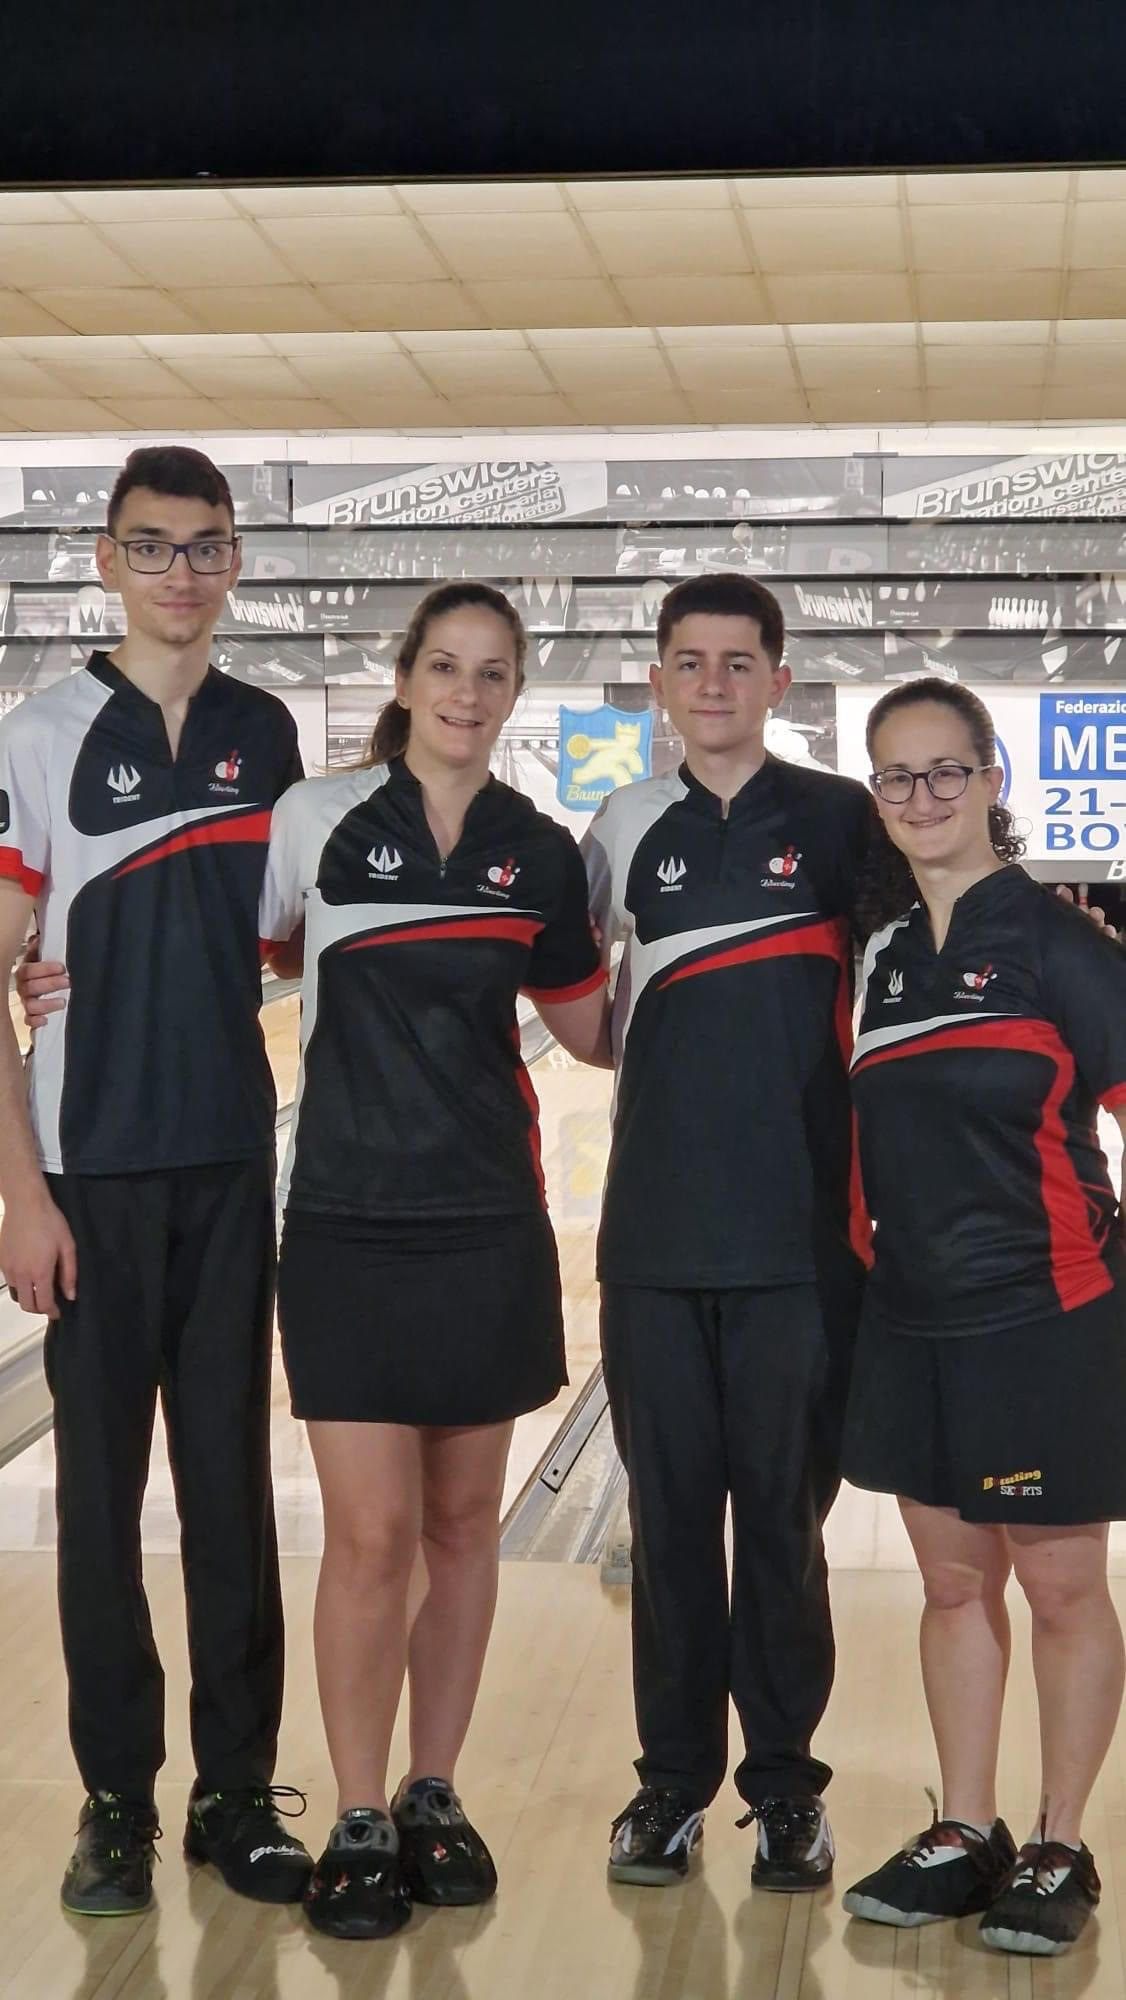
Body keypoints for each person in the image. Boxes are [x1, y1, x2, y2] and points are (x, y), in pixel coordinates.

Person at [257, 581, 610, 1940]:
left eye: (494, 674)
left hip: (487, 1225)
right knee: (373, 1534)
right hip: (345, 1221)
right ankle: (355, 1809)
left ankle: (433, 1791)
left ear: (515, 693)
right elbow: (245, 957)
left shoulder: (537, 847)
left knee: (464, 1531)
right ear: (402, 679)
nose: (468, 694)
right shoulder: (318, 823)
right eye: (446, 668)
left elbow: (589, 1029)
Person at [0, 446, 313, 1916]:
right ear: (107, 562)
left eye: (205, 547)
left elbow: (287, 939)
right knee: (101, 1502)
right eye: (152, 546)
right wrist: (21, 1197)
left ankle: (235, 1793)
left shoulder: (266, 732)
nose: (181, 572)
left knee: (231, 1494)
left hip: (228, 1157)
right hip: (93, 1169)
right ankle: (117, 1799)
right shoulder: (44, 731)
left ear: (234, 561)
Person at [583, 573, 874, 1892]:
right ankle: (667, 1786)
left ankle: (784, 1789)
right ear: (656, 679)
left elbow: (933, 945)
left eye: (737, 661)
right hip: (650, 1240)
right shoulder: (620, 824)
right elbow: (578, 1011)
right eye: (688, 662)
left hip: (797, 1244)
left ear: (778, 680)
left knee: (780, 1529)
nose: (712, 682)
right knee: (666, 1524)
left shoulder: (835, 819)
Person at [840, 678, 1126, 1958]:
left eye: (945, 770)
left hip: (1044, 1310)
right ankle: (966, 1826)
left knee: (1060, 1584)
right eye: (896, 777)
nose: (922, 797)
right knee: (954, 1583)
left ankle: (1061, 1838)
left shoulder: (1064, 945)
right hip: (913, 1317)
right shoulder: (884, 954)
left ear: (992, 773)